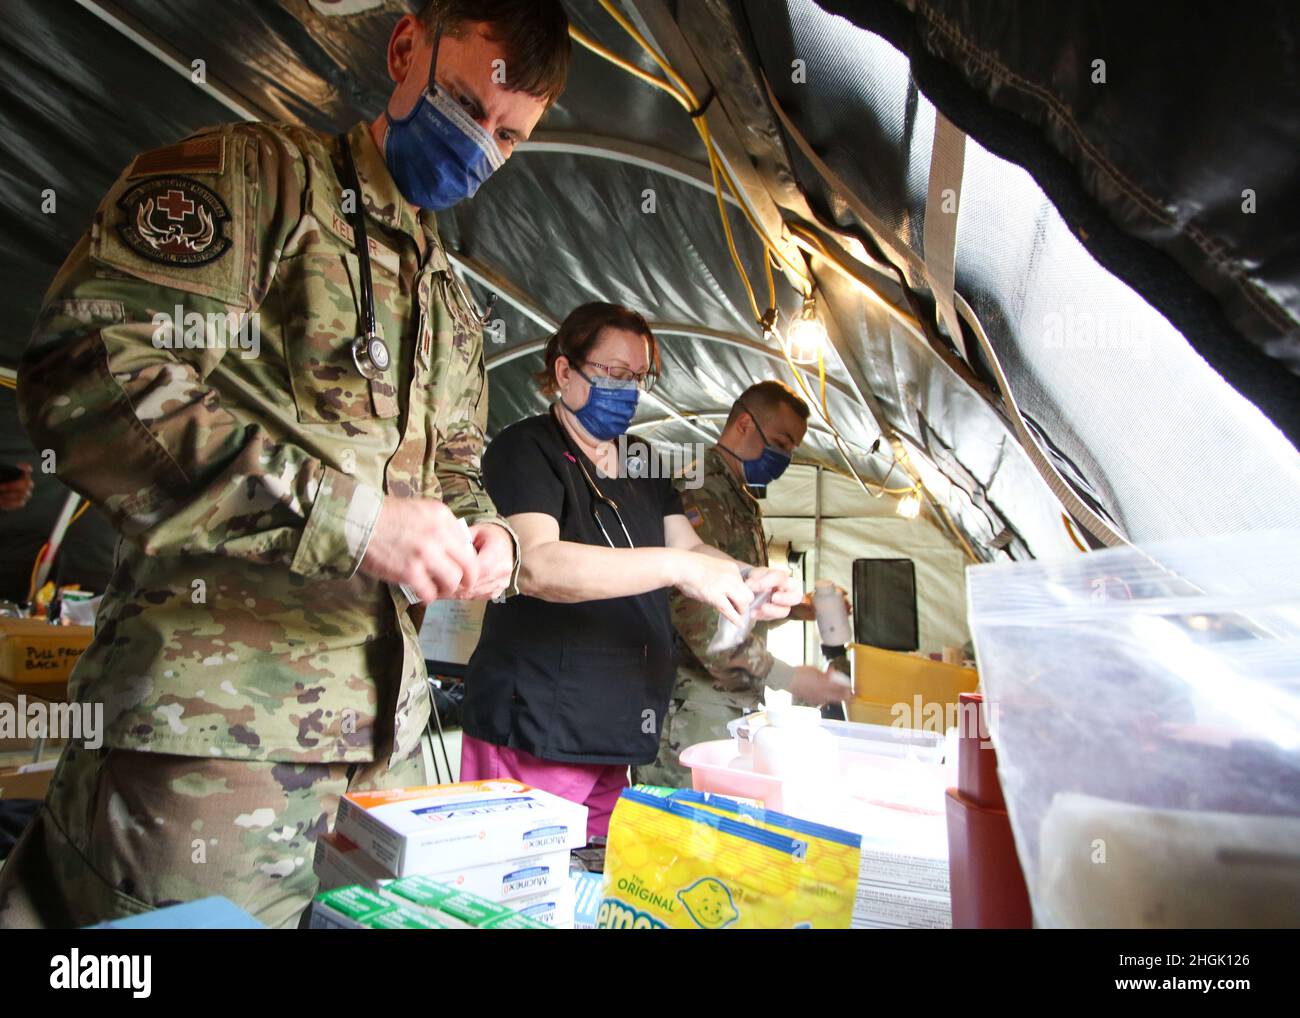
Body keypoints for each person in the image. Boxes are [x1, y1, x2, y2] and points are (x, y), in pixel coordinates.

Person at [0, 0, 571, 929]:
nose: (480, 147)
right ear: (404, 47)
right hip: (207, 751)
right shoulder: (255, 180)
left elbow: (456, 476)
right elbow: (88, 368)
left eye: (508, 138)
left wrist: (489, 538)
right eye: (468, 105)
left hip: (381, 760)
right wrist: (349, 520)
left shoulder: (452, 303)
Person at [459, 304, 801, 838]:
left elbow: (689, 544)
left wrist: (746, 575)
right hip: (539, 724)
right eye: (612, 373)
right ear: (564, 372)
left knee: (593, 885)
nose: (626, 389)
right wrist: (678, 568)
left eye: (637, 377)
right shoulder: (525, 448)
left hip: (618, 727)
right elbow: (537, 565)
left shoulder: (643, 459)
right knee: (521, 889)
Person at [636, 381, 851, 789]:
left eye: (792, 449)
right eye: (781, 442)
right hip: (692, 707)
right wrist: (789, 678)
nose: (784, 457)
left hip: (726, 705)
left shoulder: (740, 499)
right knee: (684, 839)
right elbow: (698, 616)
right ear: (743, 425)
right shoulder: (698, 489)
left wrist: (800, 608)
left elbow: (737, 605)